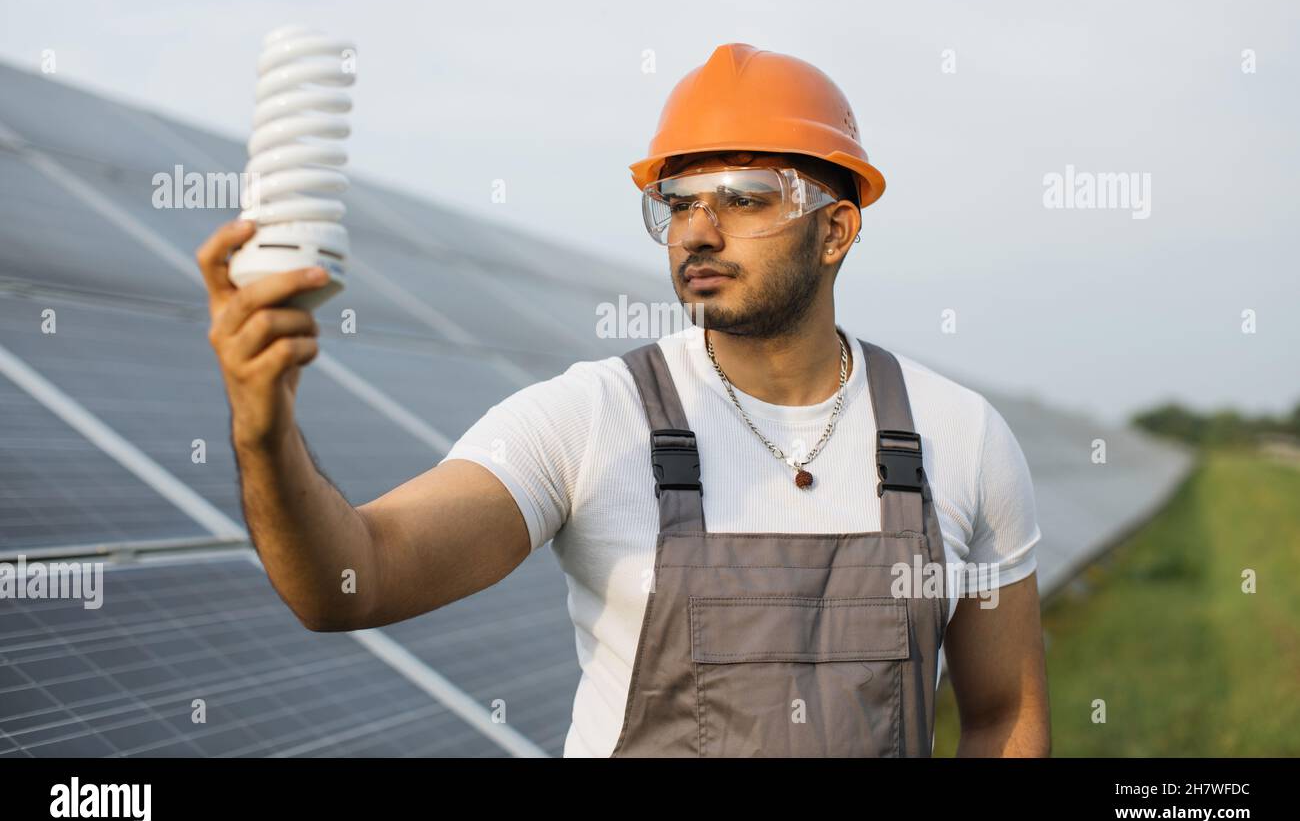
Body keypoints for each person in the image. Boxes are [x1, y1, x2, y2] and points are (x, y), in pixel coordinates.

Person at [196, 42, 1050, 757]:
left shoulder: (957, 437)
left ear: (835, 229)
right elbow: (351, 584)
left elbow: (1003, 713)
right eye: (677, 204)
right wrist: (262, 428)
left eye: (745, 199)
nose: (698, 232)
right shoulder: (593, 418)